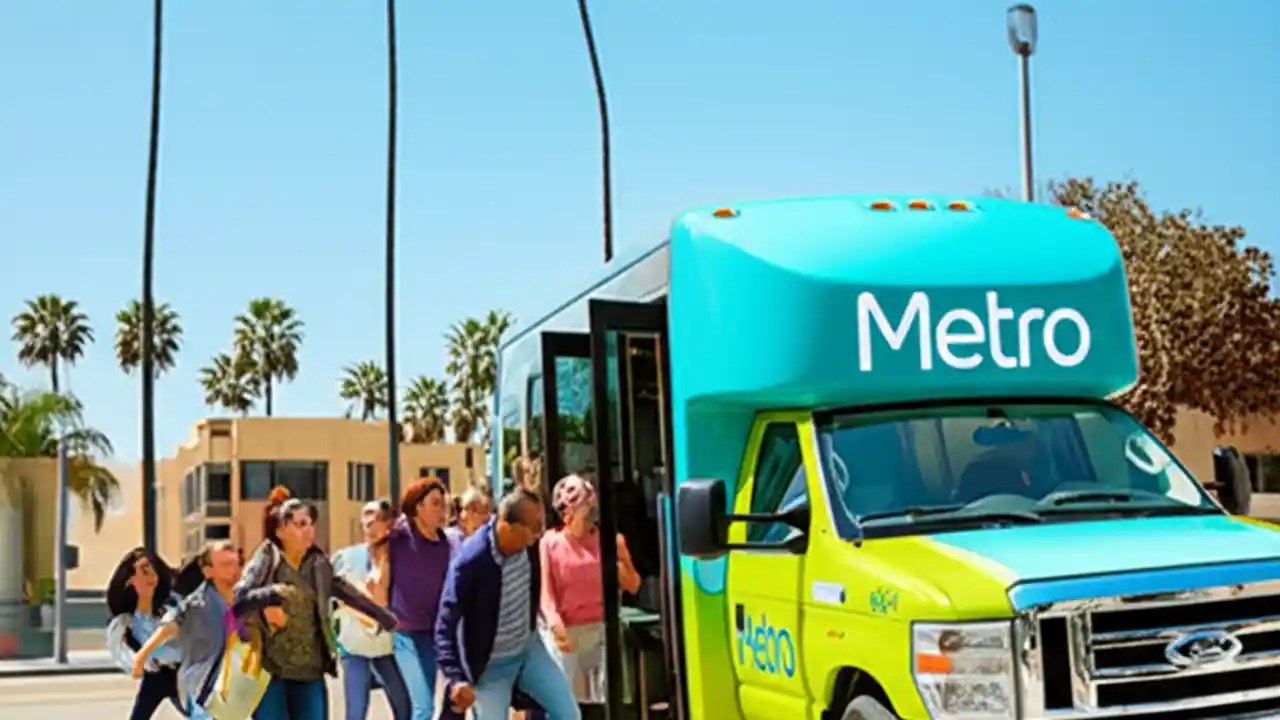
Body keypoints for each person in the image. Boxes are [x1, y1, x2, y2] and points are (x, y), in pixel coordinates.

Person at [236, 487, 398, 720]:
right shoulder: (268, 557)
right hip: (270, 672)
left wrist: (380, 615)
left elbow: (342, 589)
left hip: (309, 671)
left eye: (310, 523)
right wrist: (270, 595)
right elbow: (240, 598)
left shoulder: (318, 562)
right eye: (300, 524)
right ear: (281, 530)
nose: (308, 530)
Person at [435, 487, 580, 720]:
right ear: (508, 525)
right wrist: (456, 678)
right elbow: (445, 626)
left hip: (529, 653)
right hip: (491, 669)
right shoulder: (471, 561)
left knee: (569, 715)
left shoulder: (531, 548)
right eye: (534, 527)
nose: (539, 533)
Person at [132, 540, 263, 720]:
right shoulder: (198, 603)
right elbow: (170, 626)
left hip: (234, 685)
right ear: (208, 571)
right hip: (203, 689)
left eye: (236, 563)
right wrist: (142, 656)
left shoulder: (244, 599)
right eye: (225, 565)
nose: (233, 570)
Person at [540, 475, 642, 702]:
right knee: (564, 701)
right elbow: (546, 594)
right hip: (567, 632)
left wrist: (621, 560)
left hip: (601, 630)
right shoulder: (550, 542)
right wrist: (554, 622)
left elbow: (633, 585)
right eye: (582, 505)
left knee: (606, 698)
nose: (589, 512)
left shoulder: (609, 541)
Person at [368, 477, 456, 720]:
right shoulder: (398, 536)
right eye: (436, 504)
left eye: (444, 504)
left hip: (437, 634)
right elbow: (374, 541)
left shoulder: (448, 544)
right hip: (406, 634)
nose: (442, 510)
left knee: (434, 704)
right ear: (418, 507)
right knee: (423, 707)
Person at [330, 500, 412, 720]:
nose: (369, 521)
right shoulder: (344, 557)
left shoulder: (399, 559)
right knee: (355, 713)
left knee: (405, 708)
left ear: (388, 523)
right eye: (365, 515)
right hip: (354, 647)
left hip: (389, 649)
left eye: (375, 517)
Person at [106, 547, 183, 720]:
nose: (150, 576)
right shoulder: (128, 621)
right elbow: (130, 651)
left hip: (180, 672)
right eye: (144, 571)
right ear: (131, 580)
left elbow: (168, 634)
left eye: (151, 569)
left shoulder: (171, 605)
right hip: (155, 676)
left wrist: (142, 655)